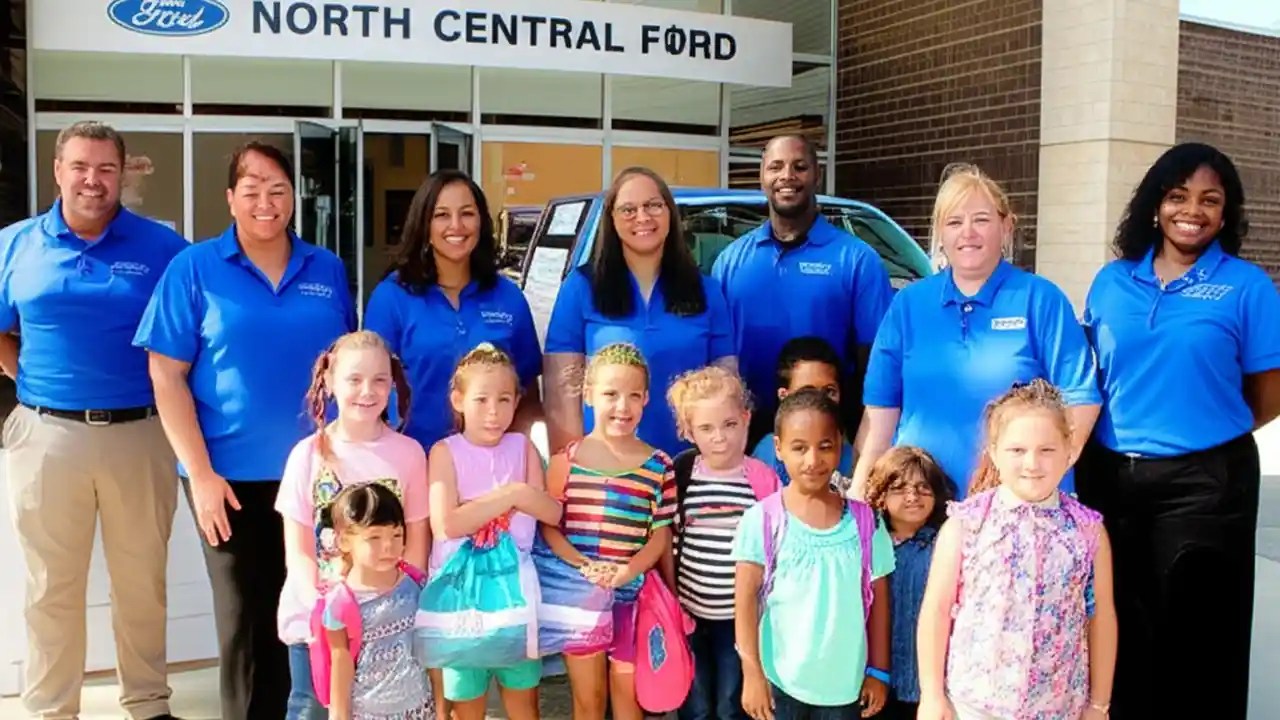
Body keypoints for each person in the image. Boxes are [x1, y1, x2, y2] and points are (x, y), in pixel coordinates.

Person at [134, 141, 356, 720]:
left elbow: (347, 366)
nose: (266, 201)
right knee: (246, 623)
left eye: (278, 189)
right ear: (230, 198)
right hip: (227, 479)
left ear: (294, 198)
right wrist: (201, 475)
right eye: (252, 189)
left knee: (312, 613)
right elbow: (165, 374)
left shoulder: (326, 268)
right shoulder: (194, 268)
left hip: (316, 479)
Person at [1076, 142, 1280, 720]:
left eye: (1210, 200)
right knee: (1118, 621)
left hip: (1207, 482)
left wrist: (1206, 423)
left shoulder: (1247, 287)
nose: (1192, 210)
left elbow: (1268, 393)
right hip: (1110, 476)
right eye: (1177, 196)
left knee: (1198, 636)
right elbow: (1093, 375)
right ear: (1154, 206)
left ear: (1226, 213)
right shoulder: (1112, 281)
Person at [0, 121, 187, 720]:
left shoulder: (162, 249)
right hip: (47, 436)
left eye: (106, 169)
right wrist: (28, 376)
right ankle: (53, 710)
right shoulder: (15, 244)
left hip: (141, 433)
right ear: (57, 170)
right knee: (50, 588)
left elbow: (191, 338)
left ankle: (148, 704)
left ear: (123, 173)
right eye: (80, 166)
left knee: (141, 585)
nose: (92, 180)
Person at [855, 164, 1099, 499]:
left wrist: (1042, 477)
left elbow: (1080, 400)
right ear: (941, 235)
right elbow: (880, 418)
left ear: (1006, 225)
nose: (967, 232)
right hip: (920, 509)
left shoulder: (1041, 300)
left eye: (981, 220)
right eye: (954, 222)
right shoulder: (908, 305)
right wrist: (860, 497)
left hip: (1017, 510)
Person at [916, 380, 1117, 720]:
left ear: (1069, 451)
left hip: (1058, 708)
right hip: (973, 705)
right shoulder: (967, 523)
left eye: (1047, 450)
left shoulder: (1088, 530)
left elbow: (1101, 618)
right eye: (1017, 450)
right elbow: (936, 609)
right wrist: (933, 695)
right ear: (994, 451)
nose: (1032, 463)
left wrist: (1098, 704)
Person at [274, 330, 430, 719]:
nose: (367, 390)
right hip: (321, 622)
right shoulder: (306, 456)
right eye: (354, 379)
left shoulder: (409, 454)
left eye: (379, 379)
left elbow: (416, 542)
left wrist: (400, 605)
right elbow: (299, 552)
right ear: (329, 382)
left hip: (390, 622)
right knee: (313, 708)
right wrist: (323, 611)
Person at [712, 135, 892, 447]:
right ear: (762, 176)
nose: (787, 177)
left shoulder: (856, 260)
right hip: (743, 437)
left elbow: (875, 365)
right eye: (776, 167)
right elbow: (715, 357)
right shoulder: (731, 261)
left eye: (799, 167)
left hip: (824, 440)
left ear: (816, 174)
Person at [544, 167, 735, 457]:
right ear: (612, 220)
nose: (643, 217)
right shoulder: (581, 287)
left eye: (654, 206)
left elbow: (726, 386)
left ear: (670, 213)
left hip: (690, 466)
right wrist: (571, 465)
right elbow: (562, 390)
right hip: (606, 470)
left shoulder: (706, 290)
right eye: (628, 209)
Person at [733, 389, 895, 720]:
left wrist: (878, 671)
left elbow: (879, 601)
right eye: (799, 447)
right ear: (778, 448)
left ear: (840, 445)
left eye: (825, 446)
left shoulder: (866, 523)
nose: (812, 460)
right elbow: (745, 600)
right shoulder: (762, 520)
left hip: (845, 686)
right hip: (781, 681)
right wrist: (752, 672)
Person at [540, 343, 677, 720]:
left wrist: (626, 572)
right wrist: (584, 566)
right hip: (579, 599)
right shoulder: (564, 462)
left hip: (632, 599)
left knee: (627, 698)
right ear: (588, 395)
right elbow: (550, 529)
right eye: (610, 394)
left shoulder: (659, 466)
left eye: (634, 395)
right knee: (588, 700)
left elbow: (659, 536)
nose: (623, 406)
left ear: (646, 399)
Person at [427, 343, 562, 720]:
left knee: (524, 706)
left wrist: (487, 504)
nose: (493, 412)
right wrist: (513, 494)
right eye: (481, 399)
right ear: (458, 399)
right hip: (461, 604)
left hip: (514, 601)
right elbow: (448, 524)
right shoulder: (444, 452)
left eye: (504, 400)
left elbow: (551, 511)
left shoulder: (522, 448)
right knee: (467, 707)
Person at [364, 170, 542, 453]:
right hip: (414, 464)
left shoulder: (508, 297)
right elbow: (369, 389)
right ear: (424, 224)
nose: (456, 225)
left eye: (467, 213)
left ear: (481, 221)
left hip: (491, 469)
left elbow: (528, 393)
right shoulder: (392, 297)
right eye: (442, 215)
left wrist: (519, 457)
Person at [665, 365, 779, 720]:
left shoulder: (762, 479)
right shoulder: (682, 474)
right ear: (688, 431)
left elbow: (775, 545)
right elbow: (667, 541)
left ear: (746, 418)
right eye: (706, 428)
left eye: (729, 424)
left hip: (740, 619)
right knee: (694, 703)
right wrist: (672, 601)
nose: (719, 437)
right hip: (690, 614)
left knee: (733, 704)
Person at [322, 483, 434, 720]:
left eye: (396, 535)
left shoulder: (416, 584)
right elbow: (340, 665)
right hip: (368, 713)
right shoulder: (341, 603)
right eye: (374, 537)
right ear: (343, 541)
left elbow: (432, 647)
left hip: (421, 710)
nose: (388, 546)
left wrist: (444, 708)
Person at [861, 446, 952, 720]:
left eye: (923, 488)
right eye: (899, 488)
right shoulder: (866, 545)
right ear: (880, 494)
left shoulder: (946, 546)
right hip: (873, 681)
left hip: (928, 687)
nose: (912, 497)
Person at [750, 337, 855, 489]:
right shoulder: (767, 452)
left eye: (829, 392)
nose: (820, 401)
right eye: (807, 392)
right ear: (784, 396)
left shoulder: (849, 457)